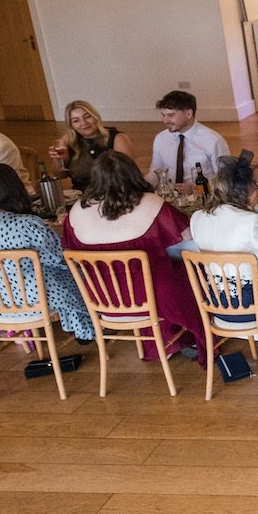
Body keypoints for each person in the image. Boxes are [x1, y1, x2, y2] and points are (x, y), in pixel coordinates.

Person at [62, 151, 198, 360]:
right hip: (151, 296)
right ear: (133, 174)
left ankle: (163, 341)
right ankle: (185, 336)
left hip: (103, 298)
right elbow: (187, 240)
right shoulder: (151, 203)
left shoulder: (76, 212)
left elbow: (69, 252)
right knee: (188, 272)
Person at [0, 163, 93, 342]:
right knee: (73, 271)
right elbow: (59, 258)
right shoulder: (26, 224)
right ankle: (84, 328)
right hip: (34, 300)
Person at [187, 155, 258, 354]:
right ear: (243, 193)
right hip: (251, 305)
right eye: (254, 187)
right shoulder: (252, 221)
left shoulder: (197, 217)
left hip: (216, 304)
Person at [147, 90, 229, 189]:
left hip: (203, 196)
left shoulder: (213, 141)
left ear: (189, 114)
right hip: (170, 195)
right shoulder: (161, 138)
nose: (165, 121)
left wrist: (197, 187)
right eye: (163, 115)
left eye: (171, 115)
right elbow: (156, 172)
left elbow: (226, 179)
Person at [47, 100, 135, 185]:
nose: (84, 123)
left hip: (113, 193)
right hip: (81, 194)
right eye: (76, 121)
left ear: (95, 117)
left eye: (87, 116)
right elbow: (59, 176)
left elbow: (128, 174)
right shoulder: (69, 142)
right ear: (71, 125)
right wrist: (59, 160)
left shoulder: (117, 138)